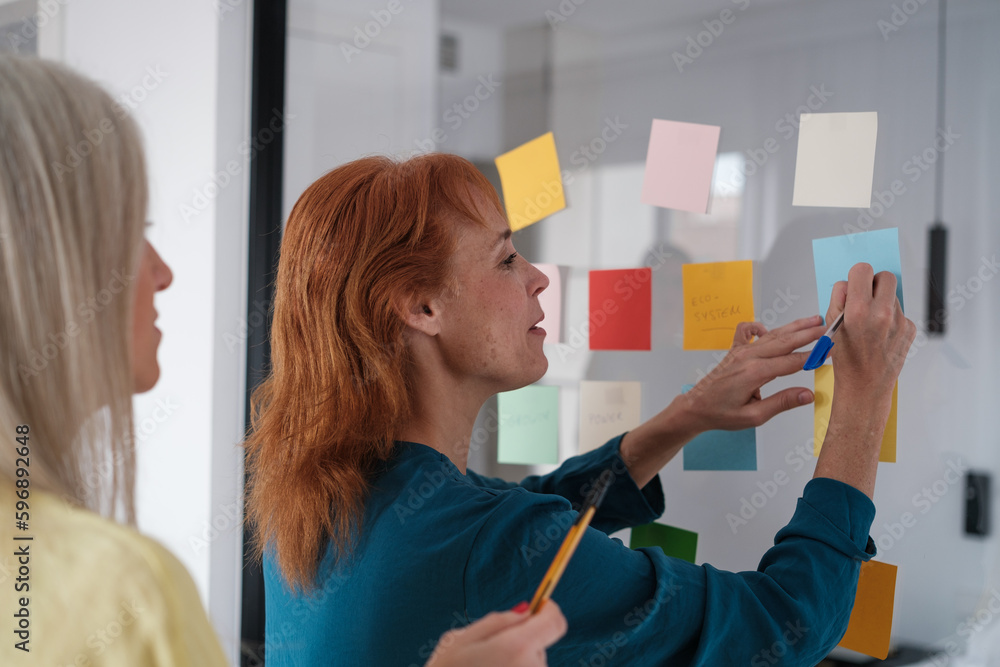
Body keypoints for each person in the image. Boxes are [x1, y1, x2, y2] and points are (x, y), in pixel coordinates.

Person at [0, 54, 562, 667]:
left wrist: (644, 447)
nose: (163, 271)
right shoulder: (123, 594)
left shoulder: (315, 509)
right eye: (132, 230)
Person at [245, 152, 916, 665]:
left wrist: (687, 414)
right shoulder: (486, 543)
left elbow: (530, 515)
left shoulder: (321, 493)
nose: (537, 276)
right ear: (422, 307)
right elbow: (784, 624)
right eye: (507, 257)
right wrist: (862, 403)